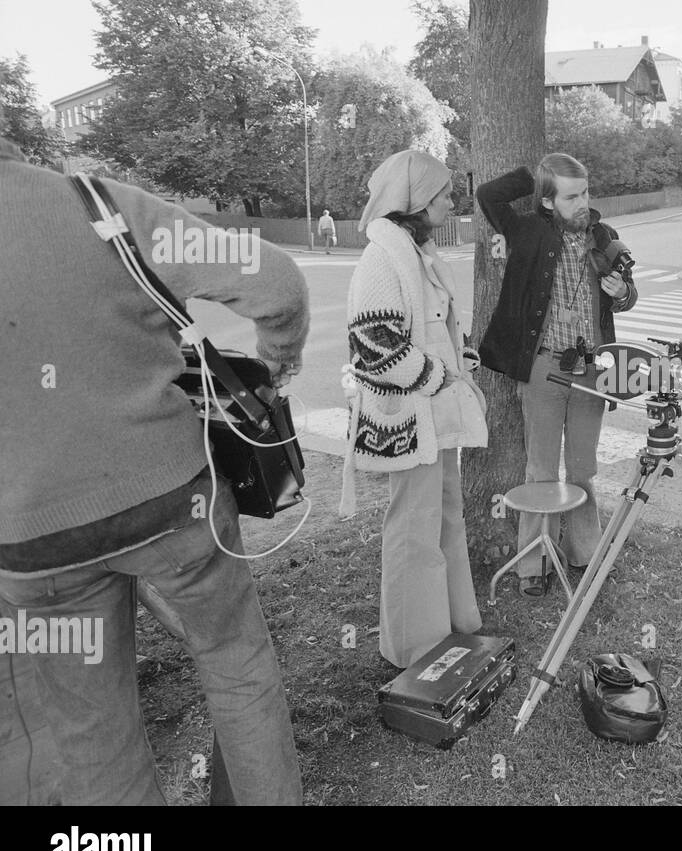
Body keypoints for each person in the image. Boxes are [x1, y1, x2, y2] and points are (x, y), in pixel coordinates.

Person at [0, 135, 307, 805]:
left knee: (90, 730)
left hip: (30, 540)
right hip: (171, 503)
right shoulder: (96, 202)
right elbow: (277, 283)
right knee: (237, 668)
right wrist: (279, 354)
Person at [339, 149, 488, 668]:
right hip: (410, 419)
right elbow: (373, 346)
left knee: (444, 520)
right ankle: (414, 648)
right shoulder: (383, 257)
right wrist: (436, 375)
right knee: (414, 531)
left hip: (433, 418)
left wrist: (456, 355)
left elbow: (425, 328)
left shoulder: (413, 250)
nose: (452, 201)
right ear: (419, 201)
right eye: (445, 193)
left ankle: (453, 626)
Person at [476, 153, 638, 597]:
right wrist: (535, 174)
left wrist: (622, 293)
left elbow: (628, 293)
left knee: (584, 469)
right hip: (545, 367)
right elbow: (488, 195)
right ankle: (534, 563)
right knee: (541, 470)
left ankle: (584, 553)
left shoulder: (604, 235)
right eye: (571, 196)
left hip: (591, 369)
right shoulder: (526, 231)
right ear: (548, 202)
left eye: (585, 192)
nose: (582, 202)